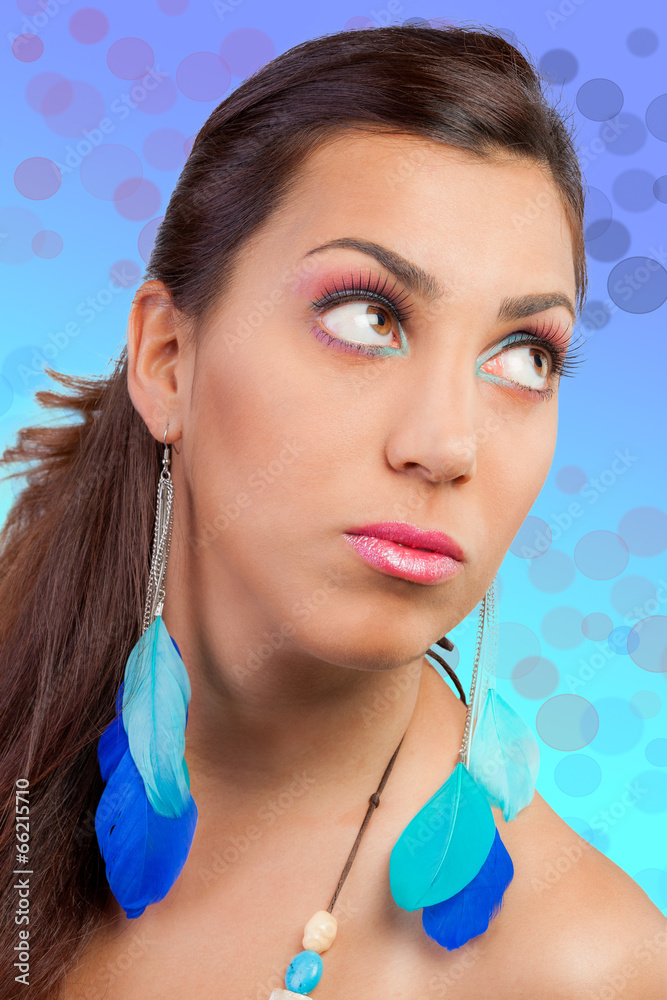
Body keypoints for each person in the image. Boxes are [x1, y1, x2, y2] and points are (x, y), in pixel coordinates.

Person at [1, 21, 665, 1000]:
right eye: (368, 316)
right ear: (167, 361)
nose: (445, 444)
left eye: (525, 355)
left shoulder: (582, 968)